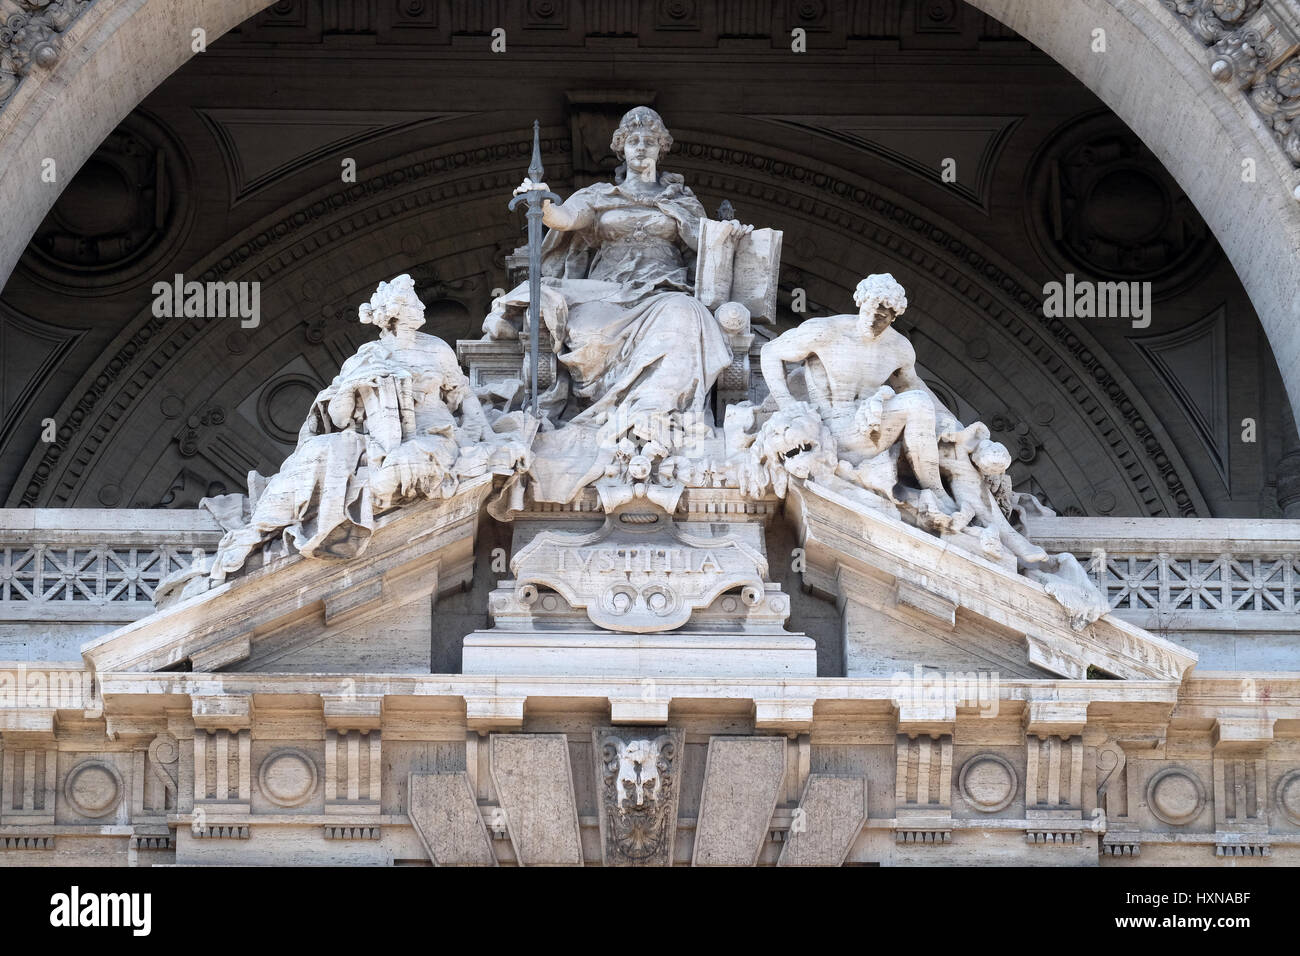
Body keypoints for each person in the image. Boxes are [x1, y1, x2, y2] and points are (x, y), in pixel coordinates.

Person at [485, 106, 754, 503]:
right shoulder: (599, 196)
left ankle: (654, 413)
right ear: (621, 149)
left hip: (664, 292)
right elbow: (565, 217)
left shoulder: (681, 200)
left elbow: (706, 246)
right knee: (589, 334)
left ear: (661, 149)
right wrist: (540, 204)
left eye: (649, 141)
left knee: (686, 316)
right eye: (633, 141)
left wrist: (728, 234)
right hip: (606, 292)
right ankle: (616, 419)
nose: (641, 147)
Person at [759, 272, 958, 516]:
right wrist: (786, 404)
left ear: (894, 317)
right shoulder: (827, 331)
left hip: (872, 433)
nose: (877, 317)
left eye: (885, 314)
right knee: (916, 403)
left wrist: (954, 424)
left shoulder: (898, 348)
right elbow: (770, 352)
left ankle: (936, 491)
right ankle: (936, 493)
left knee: (918, 402)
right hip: (830, 431)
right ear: (862, 302)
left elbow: (912, 387)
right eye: (874, 308)